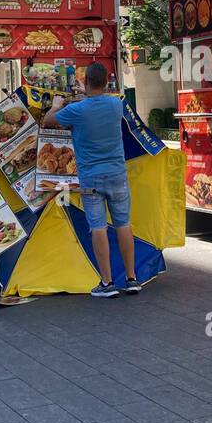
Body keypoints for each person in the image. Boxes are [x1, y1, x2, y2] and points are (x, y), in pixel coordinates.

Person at [43, 62, 139, 298]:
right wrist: (86, 91)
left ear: (85, 82)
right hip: (117, 175)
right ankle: (131, 278)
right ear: (106, 82)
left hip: (91, 178)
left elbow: (48, 120)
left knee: (98, 226)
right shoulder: (117, 105)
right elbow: (99, 102)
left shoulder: (77, 111)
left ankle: (106, 283)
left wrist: (57, 104)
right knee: (123, 224)